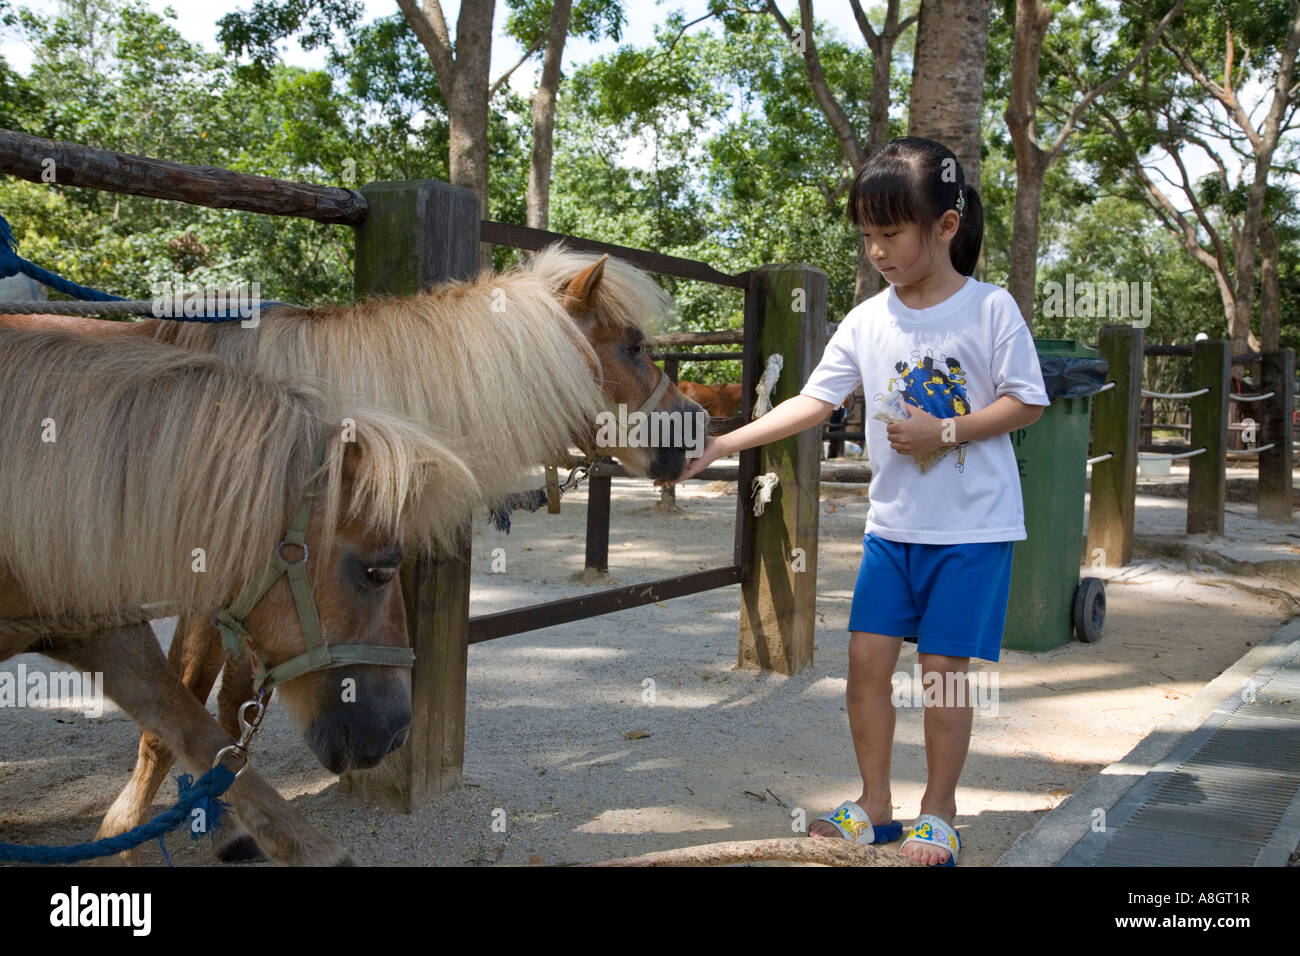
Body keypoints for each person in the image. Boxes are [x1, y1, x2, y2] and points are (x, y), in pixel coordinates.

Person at [666, 137, 1051, 865]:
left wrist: (946, 428)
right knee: (866, 662)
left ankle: (939, 812)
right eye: (868, 235)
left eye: (891, 233)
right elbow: (815, 400)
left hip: (971, 527)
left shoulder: (989, 308)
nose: (877, 250)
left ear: (943, 226)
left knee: (941, 671)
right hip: (894, 527)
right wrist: (725, 443)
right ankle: (874, 805)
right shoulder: (869, 319)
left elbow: (1027, 402)